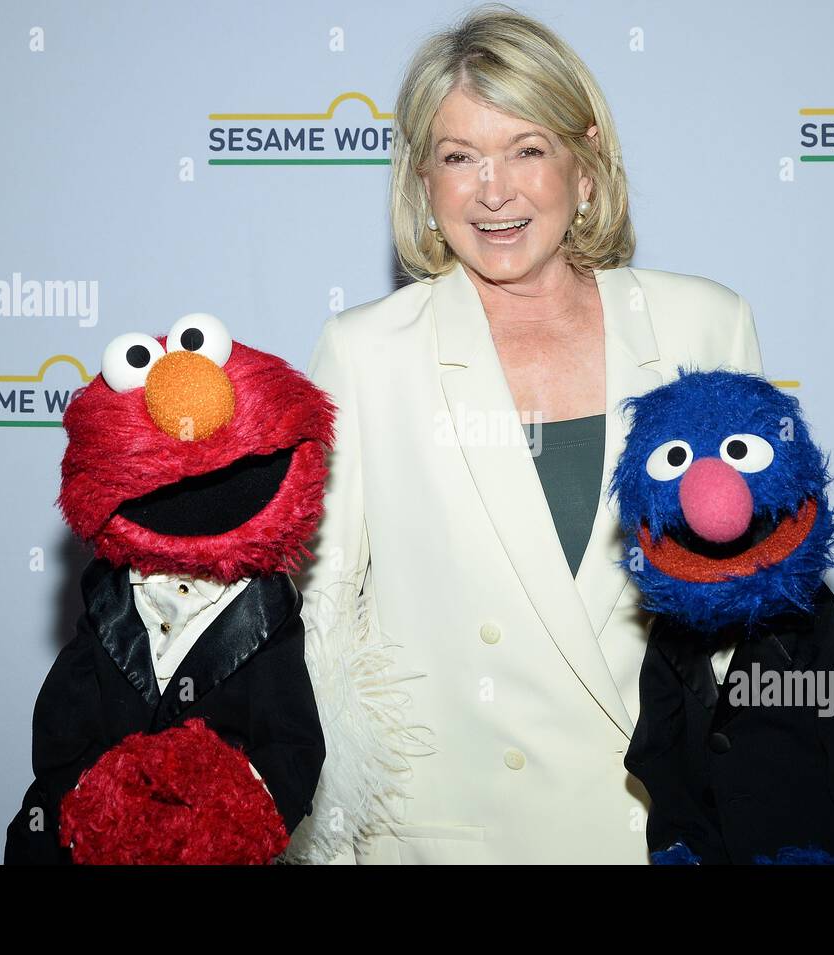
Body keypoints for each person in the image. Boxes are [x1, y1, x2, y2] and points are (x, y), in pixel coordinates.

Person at [291, 4, 764, 864]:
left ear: (585, 166)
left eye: (527, 150)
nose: (493, 190)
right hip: (450, 842)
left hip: (657, 832)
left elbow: (750, 612)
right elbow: (319, 628)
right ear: (424, 183)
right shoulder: (365, 354)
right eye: (459, 157)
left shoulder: (706, 327)